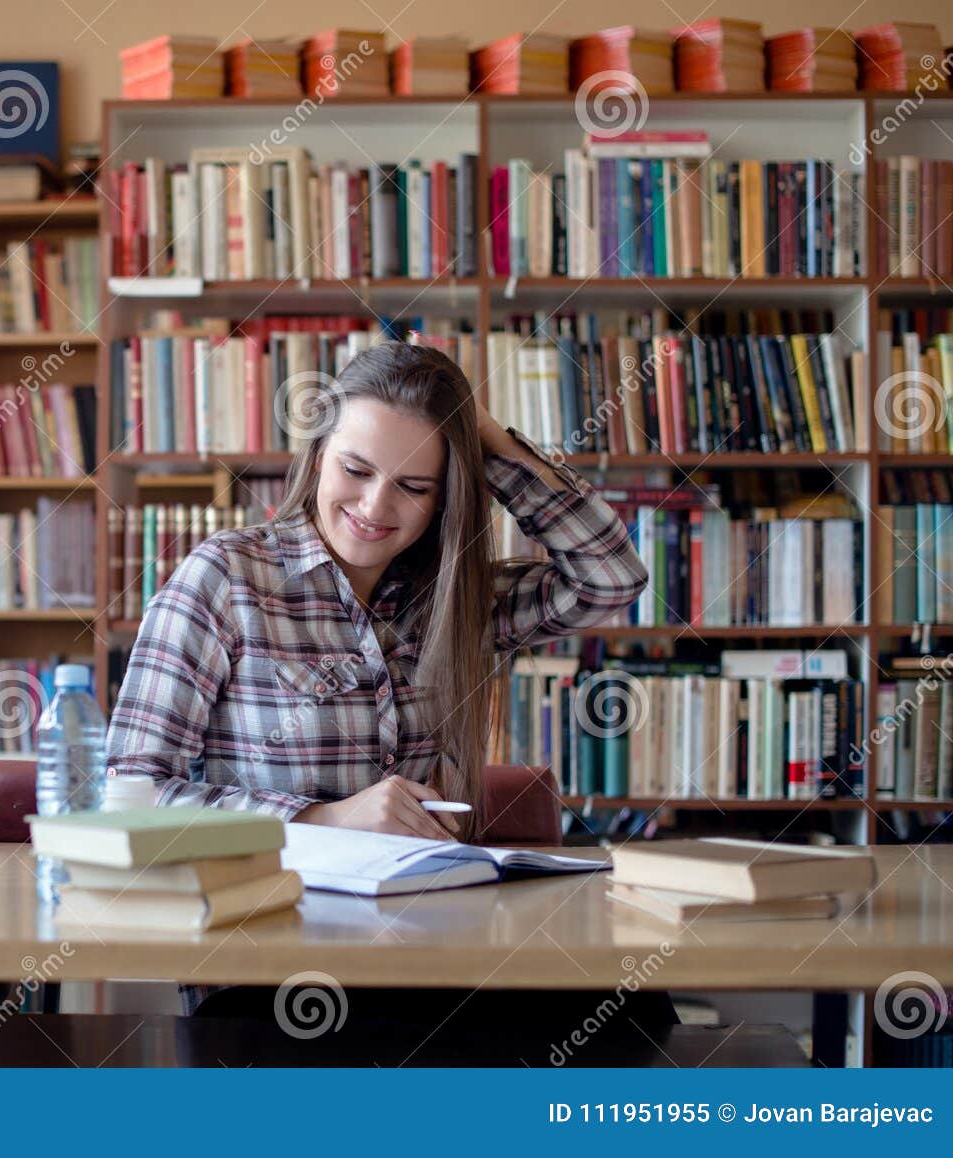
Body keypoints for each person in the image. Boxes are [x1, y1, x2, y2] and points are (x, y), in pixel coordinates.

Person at [107, 340, 665, 1034]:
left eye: (414, 485)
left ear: (445, 496)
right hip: (274, 961)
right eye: (356, 469)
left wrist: (486, 441)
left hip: (435, 947)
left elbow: (612, 576)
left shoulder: (455, 599)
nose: (375, 505)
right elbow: (130, 796)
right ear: (317, 458)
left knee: (634, 1011)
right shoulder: (226, 578)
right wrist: (324, 818)